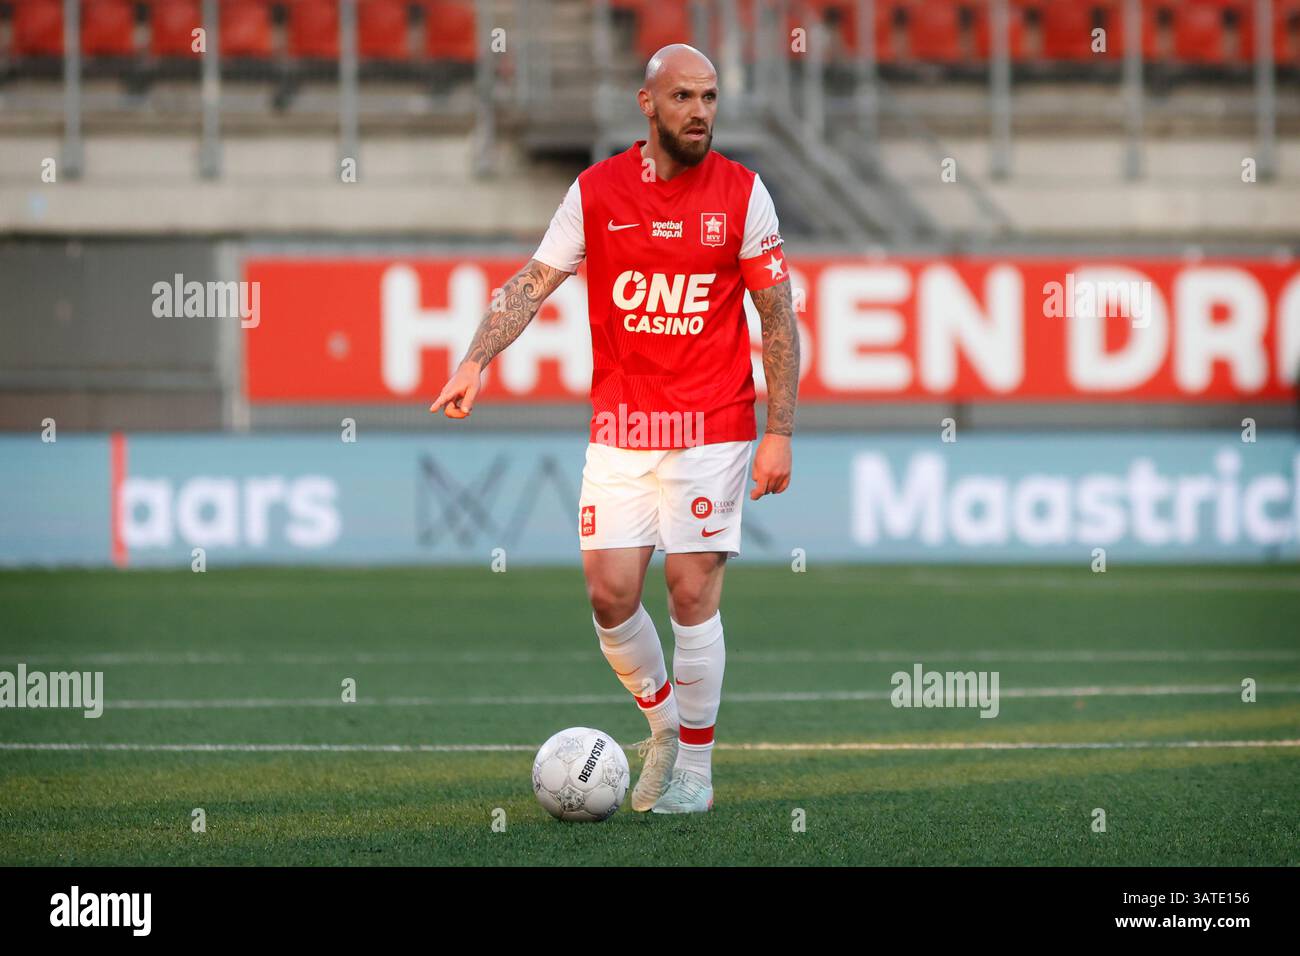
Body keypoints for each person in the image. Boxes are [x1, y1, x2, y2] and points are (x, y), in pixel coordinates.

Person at [431, 43, 799, 814]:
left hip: (714, 424)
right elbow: (532, 283)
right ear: (649, 103)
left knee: (691, 588)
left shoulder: (743, 193)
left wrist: (780, 430)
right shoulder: (596, 193)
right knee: (609, 594)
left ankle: (694, 774)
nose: (700, 112)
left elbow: (776, 318)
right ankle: (664, 726)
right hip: (624, 426)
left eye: (710, 97)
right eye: (685, 98)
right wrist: (475, 360)